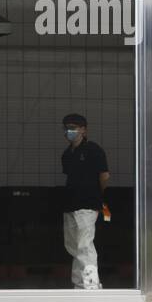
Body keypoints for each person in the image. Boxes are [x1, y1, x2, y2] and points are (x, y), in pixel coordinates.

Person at [60, 113, 109, 290]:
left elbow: (104, 176)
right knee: (73, 246)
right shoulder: (67, 154)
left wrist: (97, 194)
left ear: (83, 130)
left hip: (88, 204)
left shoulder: (93, 150)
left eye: (73, 127)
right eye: (66, 127)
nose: (69, 131)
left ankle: (91, 284)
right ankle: (79, 283)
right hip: (70, 204)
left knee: (85, 243)